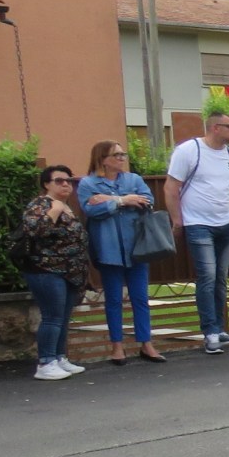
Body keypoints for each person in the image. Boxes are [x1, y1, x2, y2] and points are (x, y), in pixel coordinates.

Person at [165, 107, 229, 354]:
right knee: (208, 277)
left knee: (220, 278)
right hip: (197, 223)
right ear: (215, 128)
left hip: (226, 224)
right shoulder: (190, 150)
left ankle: (219, 329)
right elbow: (171, 187)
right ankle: (209, 332)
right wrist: (178, 220)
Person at [77, 140, 165, 364]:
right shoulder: (88, 183)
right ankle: (117, 347)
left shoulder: (133, 179)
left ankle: (146, 344)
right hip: (109, 249)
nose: (122, 158)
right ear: (102, 159)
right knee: (114, 300)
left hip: (137, 247)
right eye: (116, 155)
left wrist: (108, 200)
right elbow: (90, 210)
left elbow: (147, 201)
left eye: (122, 154)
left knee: (140, 298)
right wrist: (122, 200)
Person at [14, 165, 89, 381]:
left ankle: (59, 357)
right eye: (59, 180)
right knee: (52, 317)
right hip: (45, 270)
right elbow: (35, 231)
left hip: (68, 272)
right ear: (46, 184)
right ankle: (46, 362)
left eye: (69, 180)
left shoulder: (66, 206)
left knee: (63, 317)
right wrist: (55, 210)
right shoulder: (41, 204)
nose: (66, 184)